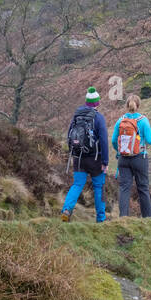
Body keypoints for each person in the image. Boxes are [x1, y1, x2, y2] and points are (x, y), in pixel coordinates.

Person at [111, 94, 151, 218]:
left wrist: (119, 151)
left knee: (124, 188)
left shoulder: (121, 120)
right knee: (143, 188)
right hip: (139, 158)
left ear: (127, 105)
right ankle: (148, 217)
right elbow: (150, 139)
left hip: (123, 159)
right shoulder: (143, 120)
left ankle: (123, 217)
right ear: (138, 105)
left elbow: (114, 140)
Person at [61, 87, 109, 222]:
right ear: (97, 103)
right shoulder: (99, 118)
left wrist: (73, 153)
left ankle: (66, 210)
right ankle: (101, 218)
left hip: (79, 157)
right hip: (95, 159)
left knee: (77, 185)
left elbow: (69, 135)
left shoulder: (76, 115)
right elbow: (104, 140)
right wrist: (105, 162)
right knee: (99, 187)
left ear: (86, 101)